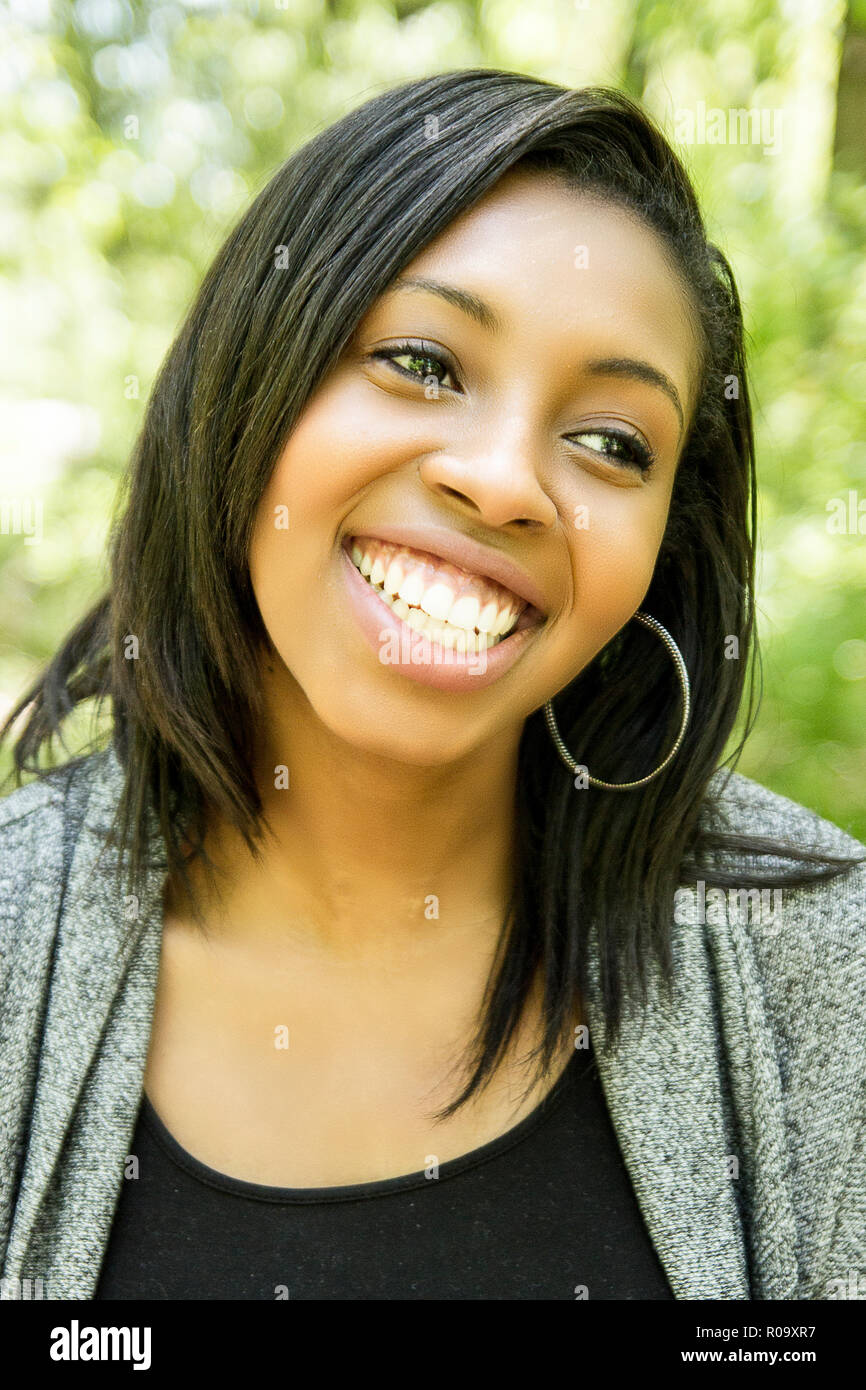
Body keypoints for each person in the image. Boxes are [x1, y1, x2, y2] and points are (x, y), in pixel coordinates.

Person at [1, 70, 863, 1302]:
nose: (506, 481)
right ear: (250, 382)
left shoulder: (825, 968)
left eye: (611, 441)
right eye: (419, 360)